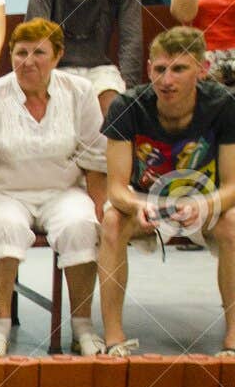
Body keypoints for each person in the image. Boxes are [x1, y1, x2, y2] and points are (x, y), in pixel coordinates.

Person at [0, 19, 108, 356]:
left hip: (64, 191)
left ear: (57, 56)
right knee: (2, 228)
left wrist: (102, 211)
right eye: (20, 52)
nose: (28, 61)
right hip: (7, 193)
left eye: (39, 52)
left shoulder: (80, 92)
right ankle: (0, 325)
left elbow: (94, 160)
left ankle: (83, 326)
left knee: (81, 226)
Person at [98, 26, 235, 356]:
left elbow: (232, 186)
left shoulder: (224, 105)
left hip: (203, 204)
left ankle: (233, 338)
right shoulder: (127, 107)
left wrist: (204, 205)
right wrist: (139, 204)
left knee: (233, 222)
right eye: (159, 69)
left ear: (201, 70)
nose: (167, 80)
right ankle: (114, 339)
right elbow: (116, 188)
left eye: (179, 69)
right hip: (146, 201)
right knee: (113, 221)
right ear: (148, 69)